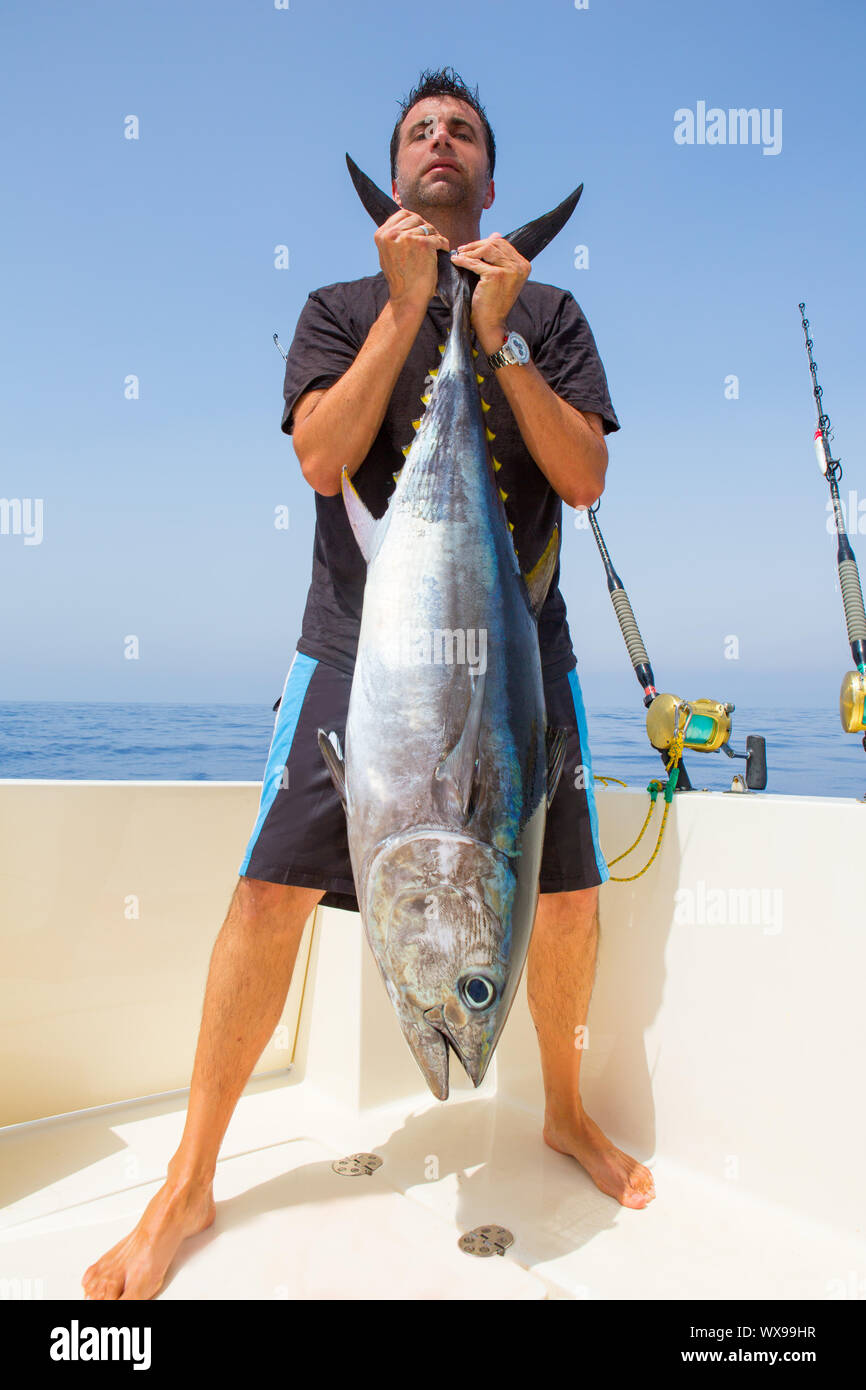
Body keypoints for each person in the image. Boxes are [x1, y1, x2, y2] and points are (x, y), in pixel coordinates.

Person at [82, 67, 655, 1303]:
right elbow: (322, 457)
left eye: (459, 134)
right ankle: (188, 1176)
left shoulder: (544, 310)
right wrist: (408, 312)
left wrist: (490, 340)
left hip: (516, 655)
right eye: (417, 134)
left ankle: (559, 1109)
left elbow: (585, 477)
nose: (436, 145)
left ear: (488, 180)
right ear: (395, 175)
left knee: (560, 894)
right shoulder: (338, 304)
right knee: (269, 891)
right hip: (358, 648)